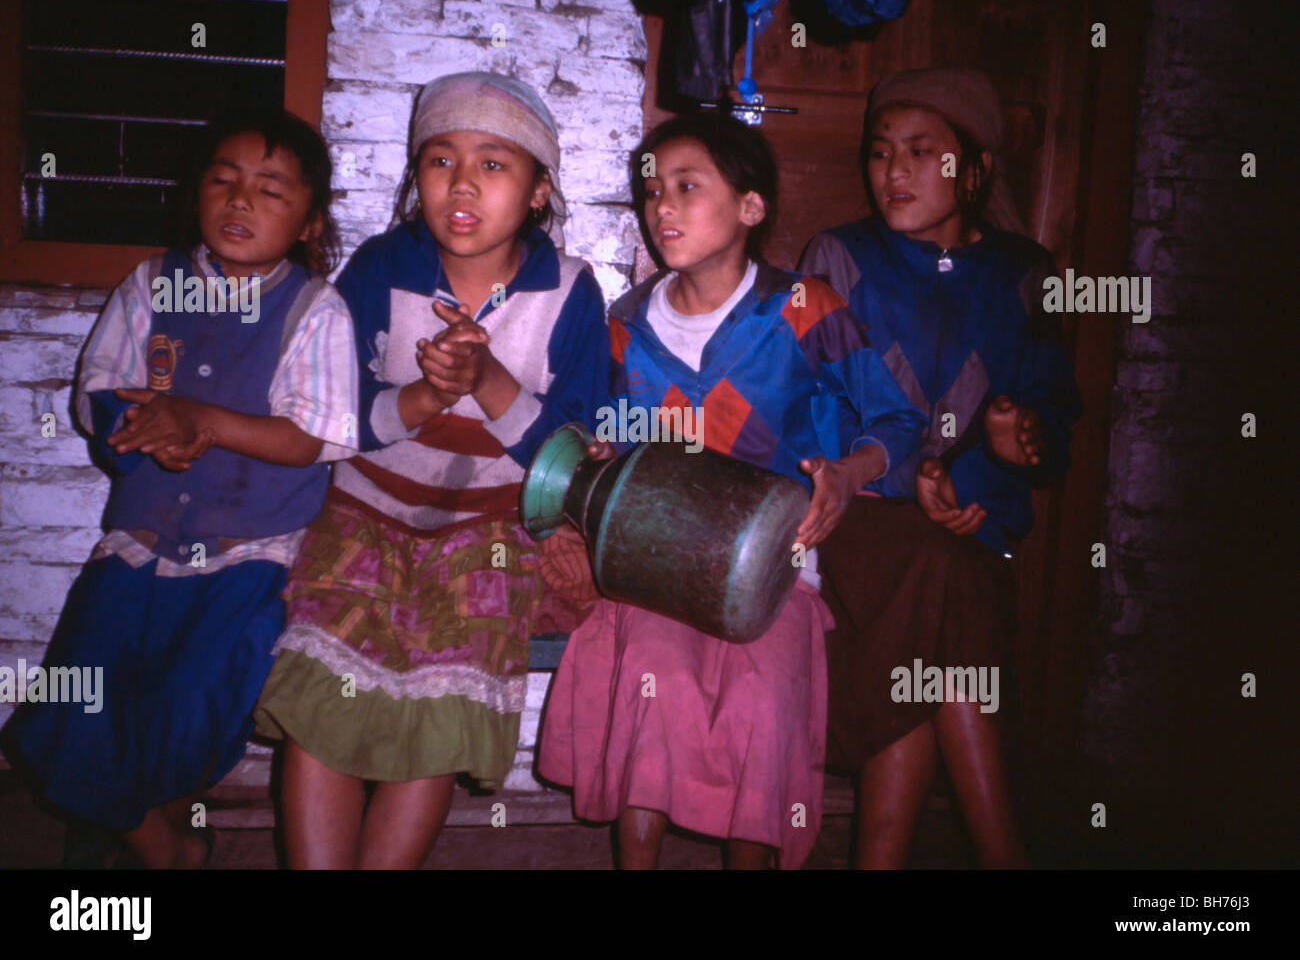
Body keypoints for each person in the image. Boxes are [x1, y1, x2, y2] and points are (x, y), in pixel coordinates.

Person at [537, 112, 925, 869]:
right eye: (652, 192)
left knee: (760, 704)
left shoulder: (801, 309)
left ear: (750, 207)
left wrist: (848, 474)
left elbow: (900, 419)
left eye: (688, 186)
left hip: (778, 563)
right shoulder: (627, 327)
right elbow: (598, 434)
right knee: (655, 688)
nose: (663, 208)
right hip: (652, 565)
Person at [253, 72, 610, 869]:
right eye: (440, 159)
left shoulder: (570, 294)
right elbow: (332, 413)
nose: (461, 183)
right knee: (324, 695)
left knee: (435, 706)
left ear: (539, 191)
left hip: (491, 529)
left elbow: (573, 454)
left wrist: (488, 384)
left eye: (494, 164)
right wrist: (420, 397)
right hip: (364, 510)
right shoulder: (383, 267)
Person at [1, 108, 359, 869]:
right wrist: (139, 427)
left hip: (249, 555)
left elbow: (312, 434)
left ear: (307, 222)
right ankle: (164, 847)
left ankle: (142, 833)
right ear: (196, 196)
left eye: (269, 189)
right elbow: (97, 389)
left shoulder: (313, 308)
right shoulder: (152, 283)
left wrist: (204, 420)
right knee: (73, 704)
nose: (239, 201)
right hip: (138, 542)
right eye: (222, 181)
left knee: (187, 712)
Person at [800, 67, 1083, 868]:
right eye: (882, 151)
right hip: (854, 524)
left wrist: (989, 463)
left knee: (948, 583)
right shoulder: (840, 258)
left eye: (923, 152)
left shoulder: (1026, 275)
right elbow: (814, 412)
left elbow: (1049, 432)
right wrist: (905, 478)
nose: (894, 171)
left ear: (978, 167)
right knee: (945, 581)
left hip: (964, 533)